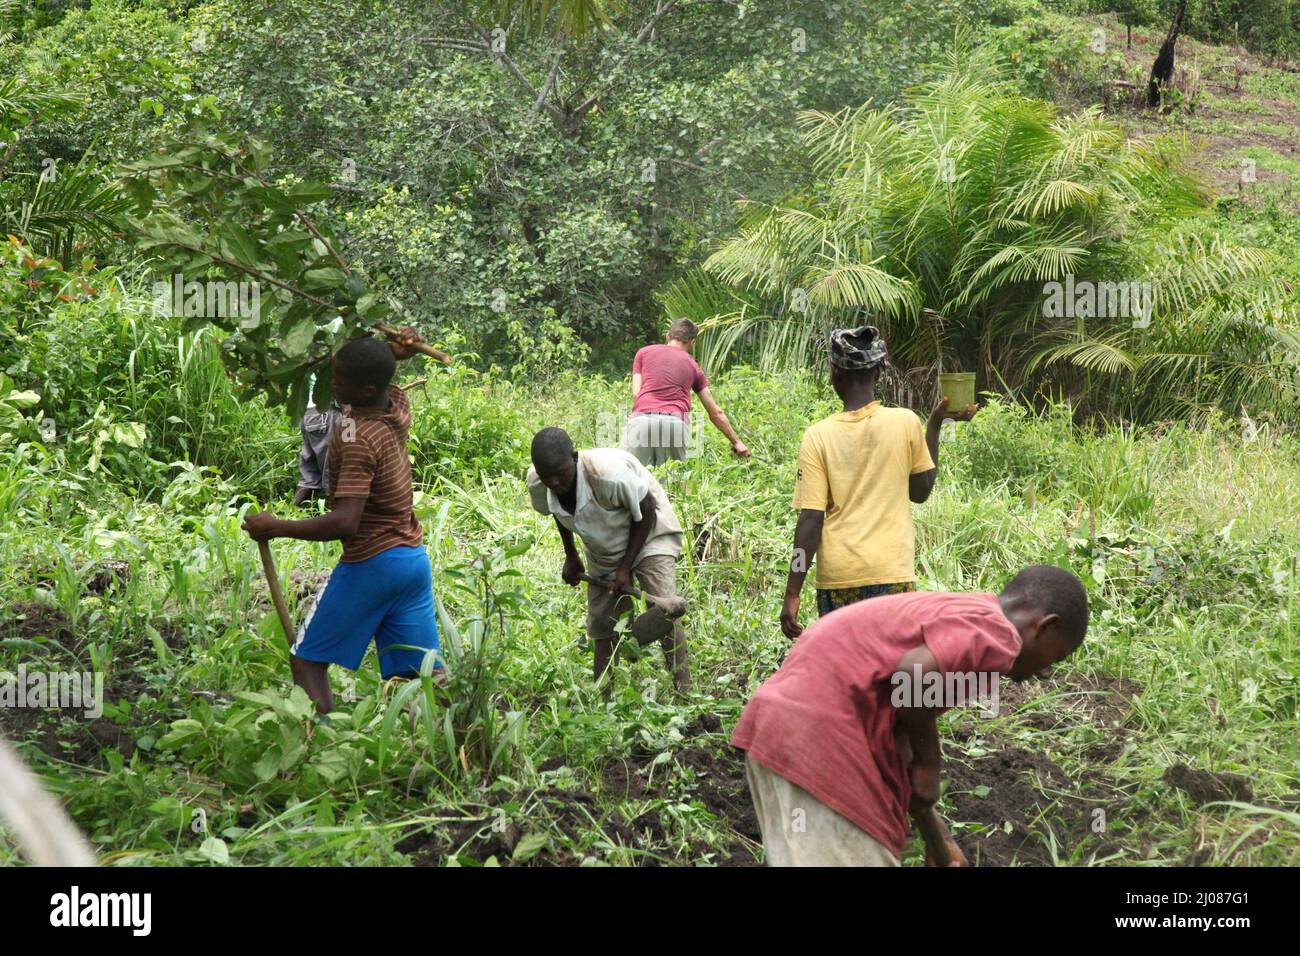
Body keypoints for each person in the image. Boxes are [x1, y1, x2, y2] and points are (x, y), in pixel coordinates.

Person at [733, 565, 1089, 867]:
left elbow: (900, 725)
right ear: (1046, 627)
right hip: (819, 744)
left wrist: (938, 837)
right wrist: (930, 764)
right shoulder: (1000, 636)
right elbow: (913, 673)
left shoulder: (961, 612)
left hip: (780, 733)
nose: (1044, 670)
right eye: (1054, 657)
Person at [242, 329, 439, 713]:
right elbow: (371, 390)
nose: (333, 384)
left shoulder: (359, 439)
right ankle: (451, 745)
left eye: (341, 380)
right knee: (420, 677)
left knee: (306, 661)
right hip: (411, 562)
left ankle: (324, 748)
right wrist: (390, 356)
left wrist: (276, 526)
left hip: (374, 562)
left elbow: (346, 522)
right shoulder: (392, 409)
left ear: (365, 390)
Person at [780, 324, 976, 639]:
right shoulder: (906, 422)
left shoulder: (817, 437)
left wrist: (792, 592)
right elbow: (921, 492)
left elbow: (810, 521)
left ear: (835, 375)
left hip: (839, 579)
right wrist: (935, 425)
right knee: (891, 673)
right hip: (892, 573)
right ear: (879, 373)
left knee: (846, 676)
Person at [527, 427, 690, 691]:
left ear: (575, 457)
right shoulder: (538, 482)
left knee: (663, 612)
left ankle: (685, 691)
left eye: (560, 474)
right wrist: (571, 555)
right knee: (603, 621)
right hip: (604, 545)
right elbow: (557, 512)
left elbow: (647, 509)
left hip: (650, 534)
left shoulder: (607, 475)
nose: (554, 482)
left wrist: (625, 567)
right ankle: (602, 694)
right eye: (548, 477)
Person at [621, 318, 749, 466]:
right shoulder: (693, 366)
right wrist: (737, 442)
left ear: (668, 335)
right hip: (675, 424)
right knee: (672, 483)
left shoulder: (643, 353)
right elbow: (715, 413)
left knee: (629, 475)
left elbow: (637, 393)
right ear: (692, 342)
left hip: (642, 420)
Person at [294, 374, 343, 506]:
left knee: (309, 475)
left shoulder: (314, 356)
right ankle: (334, 519)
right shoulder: (334, 358)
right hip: (328, 410)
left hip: (309, 412)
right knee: (334, 471)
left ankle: (288, 513)